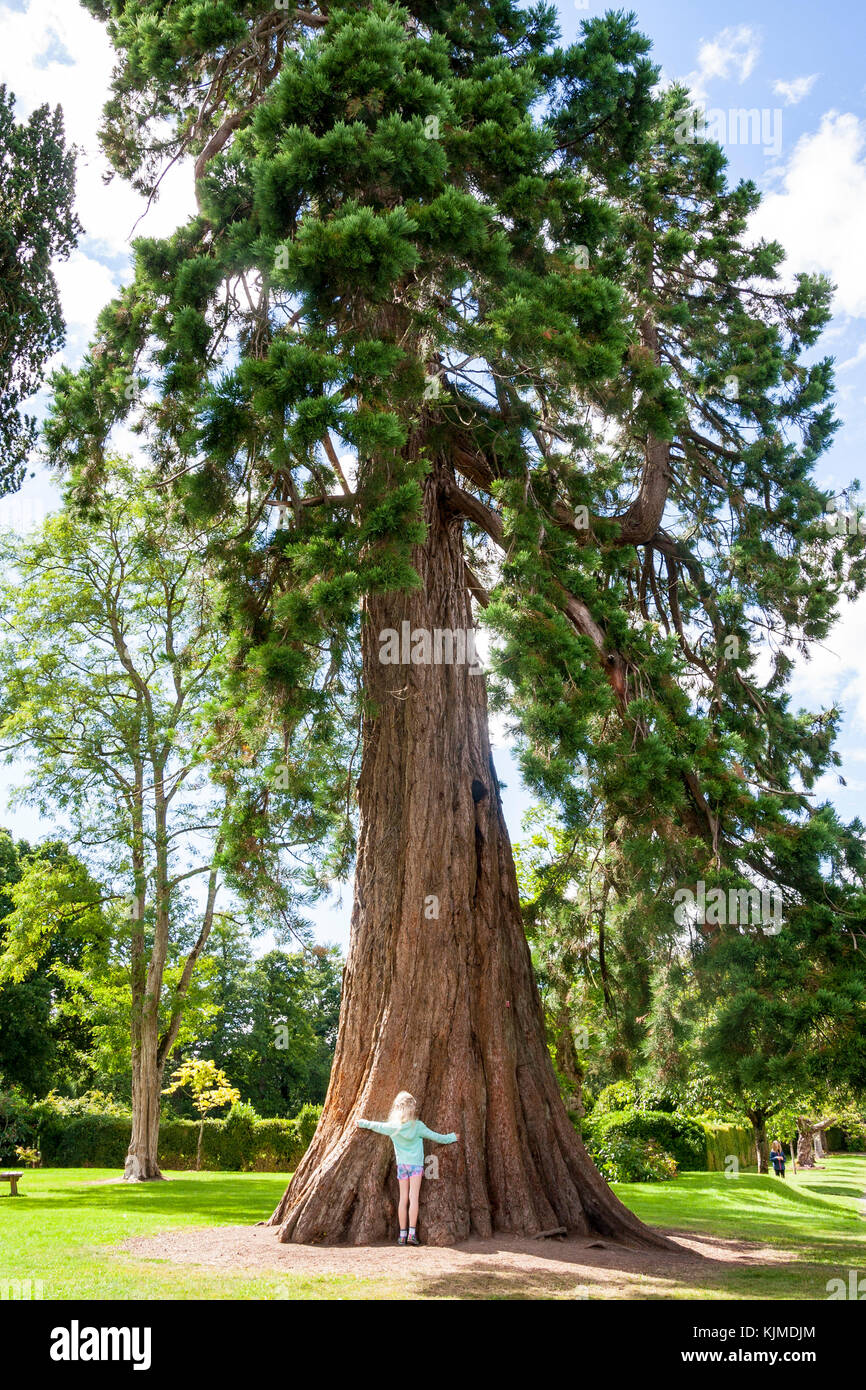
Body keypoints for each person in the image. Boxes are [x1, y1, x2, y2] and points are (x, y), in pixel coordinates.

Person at [357, 1091, 458, 1245]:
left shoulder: (393, 1127)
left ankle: (402, 1235)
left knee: (403, 1199)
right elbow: (437, 1137)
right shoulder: (418, 1126)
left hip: (402, 1166)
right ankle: (411, 1233)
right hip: (416, 1166)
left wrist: (362, 1122)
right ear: (412, 1109)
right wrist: (452, 1137)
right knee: (413, 1198)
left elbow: (376, 1126)